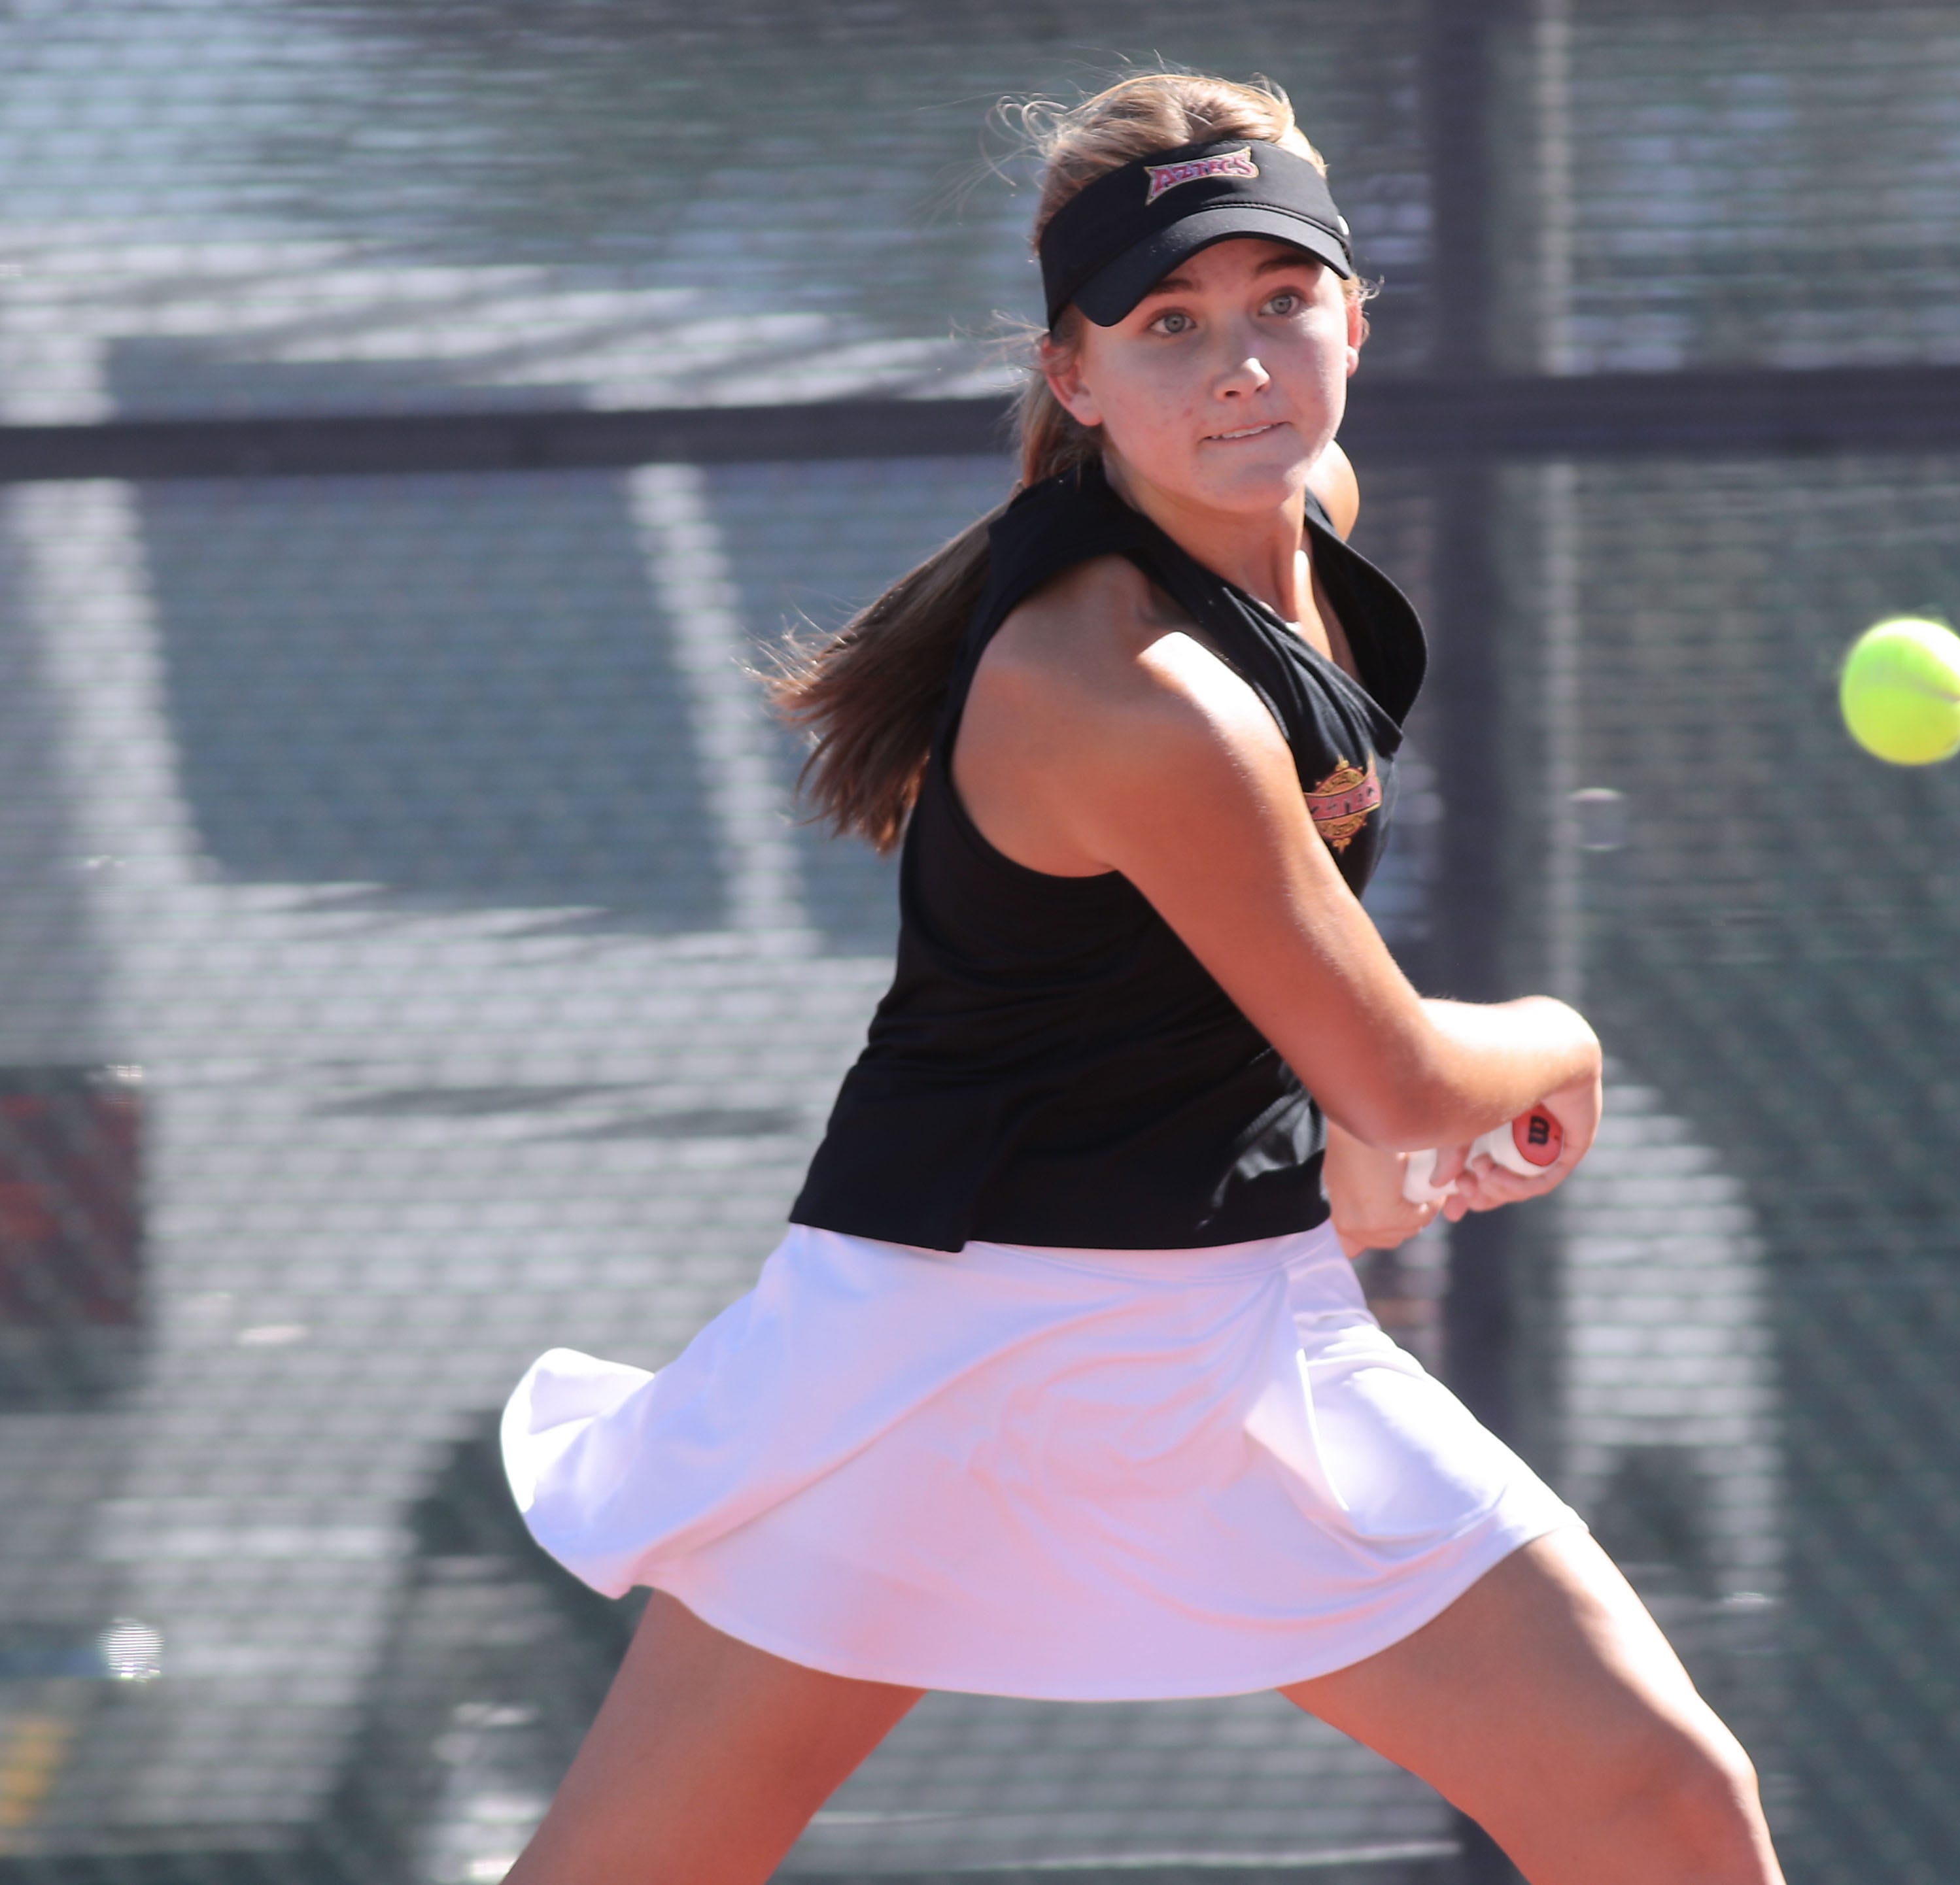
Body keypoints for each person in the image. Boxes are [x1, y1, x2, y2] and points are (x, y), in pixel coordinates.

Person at [498, 71, 1785, 1885]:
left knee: (1659, 1803)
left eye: (1282, 300)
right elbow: (1405, 1074)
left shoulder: (1304, 512)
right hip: (943, 1342)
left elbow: (1268, 1009)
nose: (1241, 364)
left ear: (1357, 319)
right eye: (1169, 324)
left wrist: (1350, 1167)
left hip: (1232, 1326)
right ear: (1075, 375)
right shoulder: (1126, 693)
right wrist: (1554, 1046)